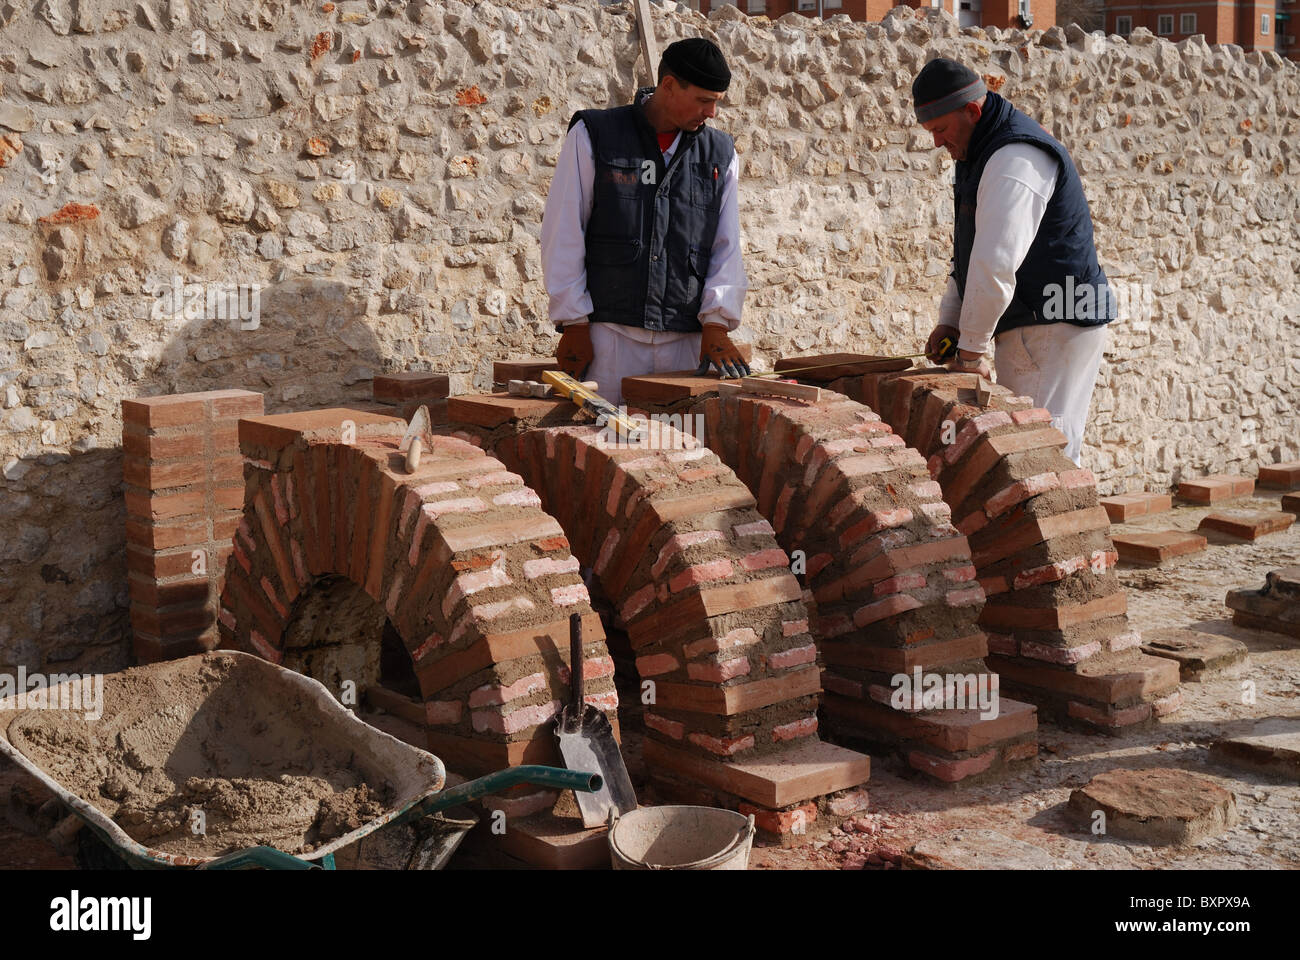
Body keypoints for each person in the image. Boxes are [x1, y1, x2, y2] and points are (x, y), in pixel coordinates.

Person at [915, 58, 1117, 465]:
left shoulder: (1014, 157)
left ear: (972, 111)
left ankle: (1061, 529)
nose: (937, 142)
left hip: (1053, 323)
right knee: (1038, 452)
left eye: (940, 129)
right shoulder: (979, 151)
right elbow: (971, 250)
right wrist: (951, 318)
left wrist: (969, 356)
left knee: (1042, 455)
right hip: (1040, 321)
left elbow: (996, 262)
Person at [541, 37, 750, 407]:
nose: (713, 112)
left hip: (686, 341)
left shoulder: (720, 154)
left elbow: (726, 244)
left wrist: (717, 323)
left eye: (717, 101)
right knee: (606, 444)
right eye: (704, 100)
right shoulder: (594, 135)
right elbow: (564, 230)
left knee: (682, 449)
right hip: (609, 340)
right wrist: (573, 322)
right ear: (669, 86)